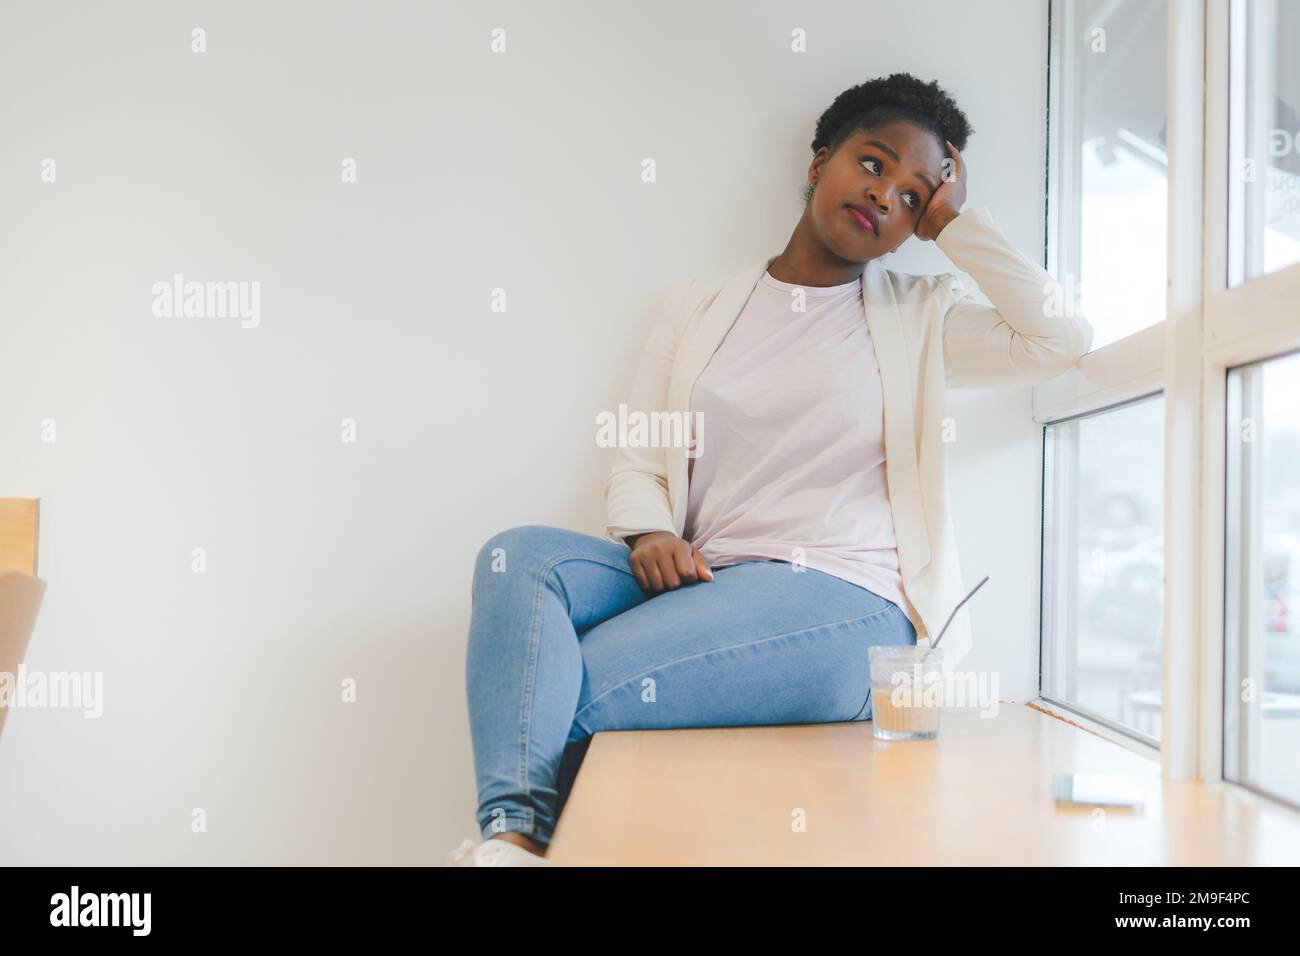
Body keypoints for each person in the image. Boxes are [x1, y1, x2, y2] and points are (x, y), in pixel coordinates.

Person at [451, 72, 1093, 867]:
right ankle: (511, 840)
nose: (885, 195)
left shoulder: (919, 319)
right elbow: (641, 453)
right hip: (707, 574)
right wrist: (651, 527)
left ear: (916, 227)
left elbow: (1059, 337)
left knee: (572, 696)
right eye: (873, 162)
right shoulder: (696, 306)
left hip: (845, 599)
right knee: (520, 559)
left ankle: (519, 843)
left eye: (914, 196)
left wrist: (956, 226)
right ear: (822, 158)